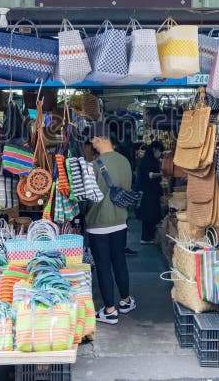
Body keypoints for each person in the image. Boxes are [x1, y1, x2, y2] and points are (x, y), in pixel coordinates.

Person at [86, 122, 137, 325]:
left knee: (103, 267)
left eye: (93, 141)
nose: (93, 145)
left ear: (99, 139)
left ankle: (109, 311)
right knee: (119, 262)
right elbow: (127, 189)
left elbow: (89, 198)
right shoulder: (125, 161)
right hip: (120, 222)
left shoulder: (94, 165)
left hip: (98, 224)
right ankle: (125, 301)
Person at [137, 141, 164, 244]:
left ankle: (149, 237)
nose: (160, 153)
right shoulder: (148, 159)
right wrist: (161, 174)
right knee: (149, 215)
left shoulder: (150, 158)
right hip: (148, 192)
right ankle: (146, 238)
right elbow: (150, 175)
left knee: (150, 215)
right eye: (159, 151)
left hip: (151, 191)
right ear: (154, 149)